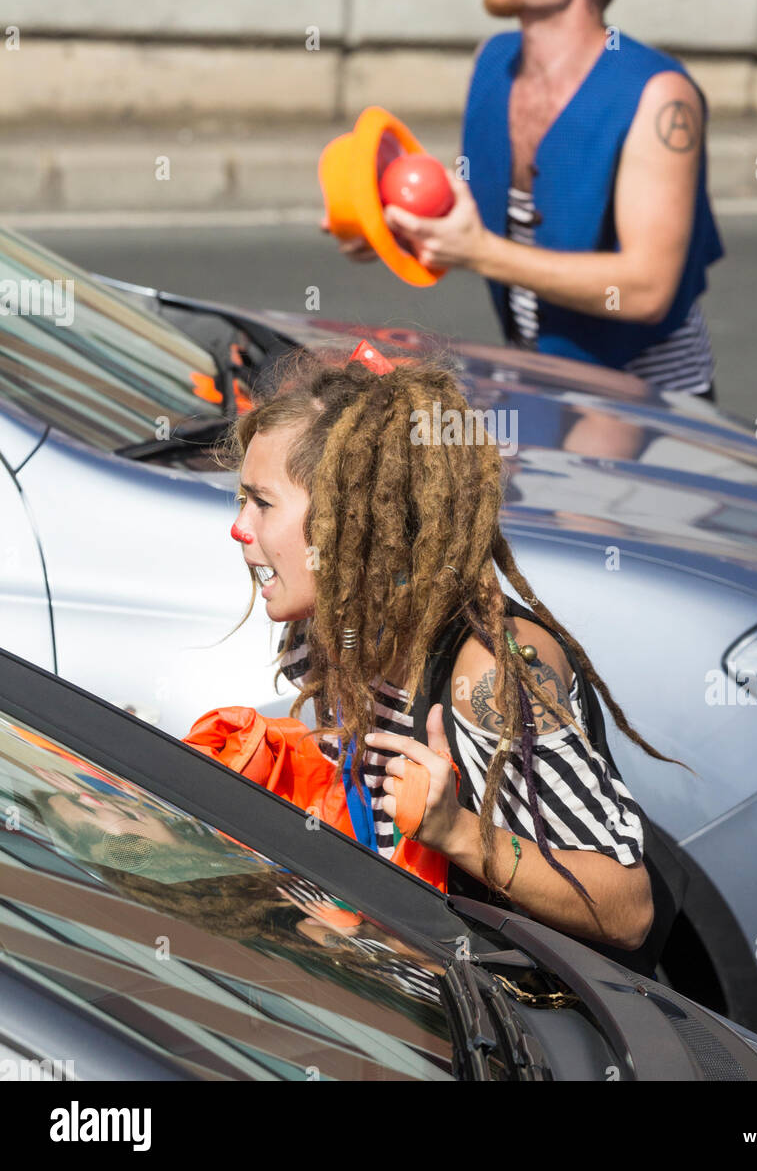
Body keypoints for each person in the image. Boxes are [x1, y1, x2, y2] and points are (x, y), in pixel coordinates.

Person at [219, 340, 689, 961]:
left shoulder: (491, 673)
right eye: (240, 499)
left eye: (262, 503)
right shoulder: (329, 632)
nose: (239, 528)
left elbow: (628, 910)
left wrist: (456, 832)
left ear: (349, 518)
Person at [337, 0, 724, 398]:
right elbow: (480, 219)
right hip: (539, 382)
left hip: (650, 399)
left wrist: (476, 252)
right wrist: (378, 219)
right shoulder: (491, 61)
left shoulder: (659, 94)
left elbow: (646, 288)